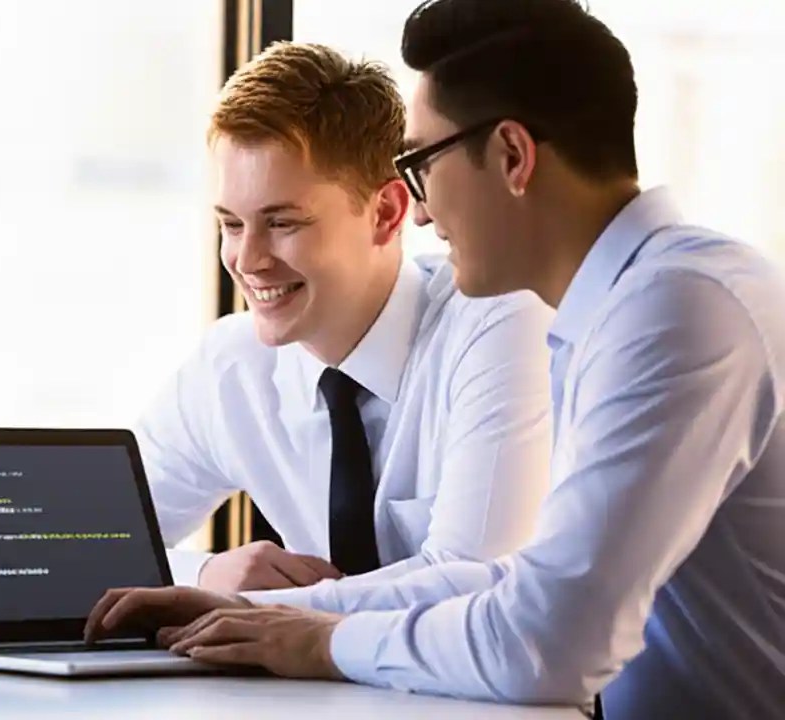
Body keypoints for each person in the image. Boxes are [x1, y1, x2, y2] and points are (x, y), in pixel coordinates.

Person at [86, 2, 785, 718]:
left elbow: (544, 636)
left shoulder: (673, 309)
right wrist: (232, 591)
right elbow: (533, 593)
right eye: (230, 223)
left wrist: (312, 637)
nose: (418, 213)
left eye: (421, 164)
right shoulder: (621, 309)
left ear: (512, 157)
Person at [139, 41, 553, 595]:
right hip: (307, 684)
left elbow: (469, 588)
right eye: (231, 226)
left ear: (385, 213)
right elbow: (72, 541)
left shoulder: (498, 327)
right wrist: (208, 574)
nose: (247, 260)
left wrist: (273, 607)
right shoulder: (232, 366)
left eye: (282, 223)